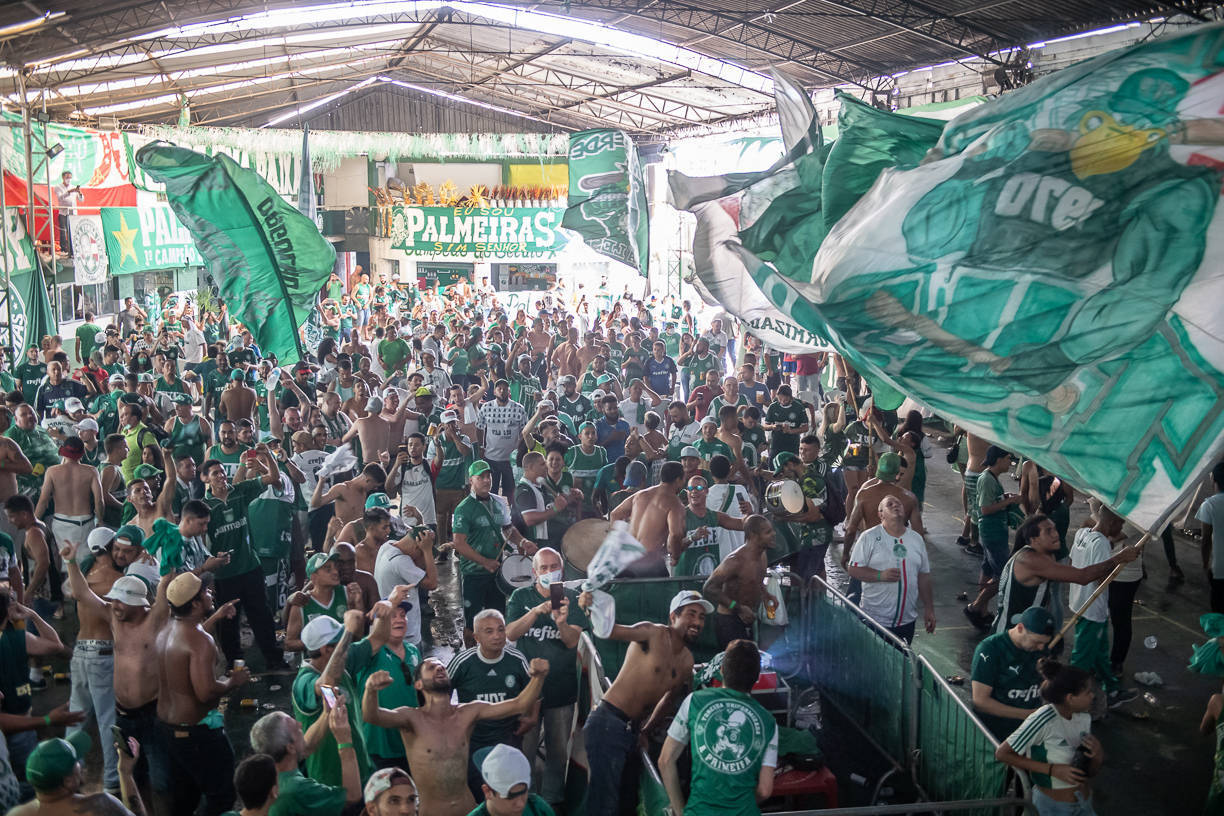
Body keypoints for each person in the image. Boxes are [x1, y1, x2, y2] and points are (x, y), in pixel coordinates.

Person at [361, 655, 549, 816]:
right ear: (418, 684)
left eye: (442, 666)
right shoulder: (411, 718)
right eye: (431, 667)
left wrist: (539, 677)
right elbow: (371, 715)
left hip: (466, 809)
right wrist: (370, 690)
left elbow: (519, 704)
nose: (440, 668)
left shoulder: (468, 712)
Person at [580, 589, 711, 816]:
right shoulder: (653, 633)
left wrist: (646, 731)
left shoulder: (687, 660)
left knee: (628, 803)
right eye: (691, 614)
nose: (697, 622)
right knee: (604, 804)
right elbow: (610, 631)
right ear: (673, 616)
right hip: (607, 722)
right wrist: (590, 607)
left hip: (632, 731)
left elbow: (670, 699)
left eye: (701, 617)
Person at [152, 571, 249, 816]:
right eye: (205, 592)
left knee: (184, 798)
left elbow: (188, 645)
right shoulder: (200, 641)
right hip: (196, 732)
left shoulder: (166, 630)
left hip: (167, 728)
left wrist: (215, 616)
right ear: (194, 603)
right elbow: (205, 692)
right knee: (221, 795)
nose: (211, 593)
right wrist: (232, 681)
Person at [504, 547, 590, 807]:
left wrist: (561, 622)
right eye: (544, 568)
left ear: (562, 570)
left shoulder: (573, 598)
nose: (550, 572)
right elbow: (510, 633)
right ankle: (526, 801)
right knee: (525, 749)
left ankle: (551, 803)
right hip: (528, 691)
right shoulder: (520, 596)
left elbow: (573, 641)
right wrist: (535, 612)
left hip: (562, 688)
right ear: (534, 573)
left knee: (558, 751)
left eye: (554, 567)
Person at [659, 639, 778, 816]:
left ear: (721, 670)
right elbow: (764, 790)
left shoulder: (695, 701)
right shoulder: (768, 722)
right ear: (757, 677)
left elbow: (665, 760)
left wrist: (680, 810)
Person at [201, 446, 287, 669]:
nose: (221, 476)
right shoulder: (205, 507)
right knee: (229, 621)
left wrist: (267, 455)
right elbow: (200, 542)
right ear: (206, 480)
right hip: (225, 574)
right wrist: (211, 561)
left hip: (250, 566)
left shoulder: (239, 491)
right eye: (215, 474)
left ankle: (273, 659)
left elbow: (273, 477)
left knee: (262, 615)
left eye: (222, 471)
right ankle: (234, 666)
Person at [992, 514, 1138, 635]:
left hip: (1026, 632)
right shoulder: (1032, 560)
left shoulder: (1039, 555)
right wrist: (1119, 558)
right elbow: (1083, 577)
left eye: (1054, 528)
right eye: (1048, 531)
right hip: (1010, 636)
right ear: (1034, 540)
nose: (1056, 534)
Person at [995, 659, 1105, 816]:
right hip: (1051, 808)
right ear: (1070, 698)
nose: (1092, 696)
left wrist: (1098, 755)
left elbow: (1089, 772)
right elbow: (1002, 754)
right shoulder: (1044, 719)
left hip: (1084, 803)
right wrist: (1052, 770)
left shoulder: (1083, 717)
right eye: (1087, 692)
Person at [448, 610, 534, 800]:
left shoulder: (517, 659)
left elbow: (534, 692)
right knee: (478, 790)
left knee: (508, 790)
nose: (496, 636)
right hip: (473, 740)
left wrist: (532, 716)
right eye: (489, 631)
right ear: (476, 637)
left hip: (509, 737)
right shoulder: (463, 663)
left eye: (500, 630)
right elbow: (440, 694)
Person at [452, 460, 537, 641]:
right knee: (471, 623)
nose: (486, 480)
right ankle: (471, 658)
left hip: (497, 572)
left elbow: (508, 529)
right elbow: (459, 544)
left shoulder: (499, 502)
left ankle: (495, 655)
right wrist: (484, 561)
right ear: (471, 481)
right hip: (473, 574)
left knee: (498, 619)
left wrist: (523, 542)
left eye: (488, 476)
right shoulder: (463, 509)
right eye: (480, 477)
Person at [1068, 506, 1139, 710]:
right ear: (1112, 522)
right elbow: (1100, 579)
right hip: (1092, 608)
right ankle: (1070, 698)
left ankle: (1113, 690)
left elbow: (1074, 563)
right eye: (1120, 523)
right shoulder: (1102, 544)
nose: (1122, 527)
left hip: (1079, 599)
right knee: (1081, 658)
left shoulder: (1082, 533)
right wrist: (1120, 561)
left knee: (1100, 652)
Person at [845, 495, 936, 644]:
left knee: (901, 662)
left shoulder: (916, 539)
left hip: (907, 622)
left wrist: (929, 609)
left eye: (898, 503)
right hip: (874, 620)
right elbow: (853, 570)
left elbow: (923, 576)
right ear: (880, 514)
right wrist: (880, 575)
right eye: (890, 504)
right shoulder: (869, 538)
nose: (895, 506)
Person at [248, 708, 362, 816]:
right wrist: (345, 740)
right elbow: (352, 796)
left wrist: (326, 713)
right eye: (297, 729)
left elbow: (307, 748)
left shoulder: (264, 776)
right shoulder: (296, 789)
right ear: (290, 748)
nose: (300, 724)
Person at [11, 731, 145, 816]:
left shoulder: (16, 813)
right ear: (68, 781)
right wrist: (125, 773)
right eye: (76, 762)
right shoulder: (101, 806)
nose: (81, 766)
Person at [971, 606, 1055, 740]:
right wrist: (1027, 714)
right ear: (1020, 628)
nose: (1041, 647)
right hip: (997, 732)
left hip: (1032, 730)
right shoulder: (990, 649)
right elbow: (980, 701)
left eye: (1045, 643)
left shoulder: (1040, 649)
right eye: (1037, 641)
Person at [964, 446, 1022, 628]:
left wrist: (1004, 497)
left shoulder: (991, 478)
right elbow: (985, 509)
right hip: (993, 530)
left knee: (988, 568)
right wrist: (1010, 501)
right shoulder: (987, 479)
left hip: (994, 529)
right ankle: (976, 606)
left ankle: (982, 610)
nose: (1009, 463)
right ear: (998, 460)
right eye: (1007, 459)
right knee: (1002, 574)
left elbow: (990, 501)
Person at [702, 515, 777, 648]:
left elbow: (755, 581)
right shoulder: (735, 560)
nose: (773, 534)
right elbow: (709, 588)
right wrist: (738, 608)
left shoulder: (762, 555)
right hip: (729, 621)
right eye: (768, 532)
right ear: (754, 535)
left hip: (750, 618)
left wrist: (765, 595)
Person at [606, 461, 687, 578]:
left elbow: (615, 515)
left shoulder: (640, 495)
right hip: (649, 561)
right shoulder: (675, 503)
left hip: (625, 558)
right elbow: (676, 534)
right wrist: (675, 556)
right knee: (666, 595)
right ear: (679, 480)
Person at [467, 744, 554, 816]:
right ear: (487, 791)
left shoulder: (538, 808)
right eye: (511, 797)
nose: (520, 804)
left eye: (523, 793)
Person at [477, 379, 529, 497]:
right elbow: (479, 428)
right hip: (491, 457)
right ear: (494, 392)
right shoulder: (486, 407)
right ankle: (493, 514)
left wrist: (519, 450)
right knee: (490, 492)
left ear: (509, 392)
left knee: (512, 492)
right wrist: (481, 446)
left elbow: (525, 431)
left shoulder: (518, 408)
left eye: (505, 389)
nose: (502, 391)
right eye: (499, 389)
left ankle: (513, 515)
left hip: (511, 459)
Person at [1197, 462, 1224, 612]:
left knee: (1219, 613)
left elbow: (1206, 539)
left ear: (1214, 480)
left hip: (1220, 569)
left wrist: (1205, 564)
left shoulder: (1210, 505)